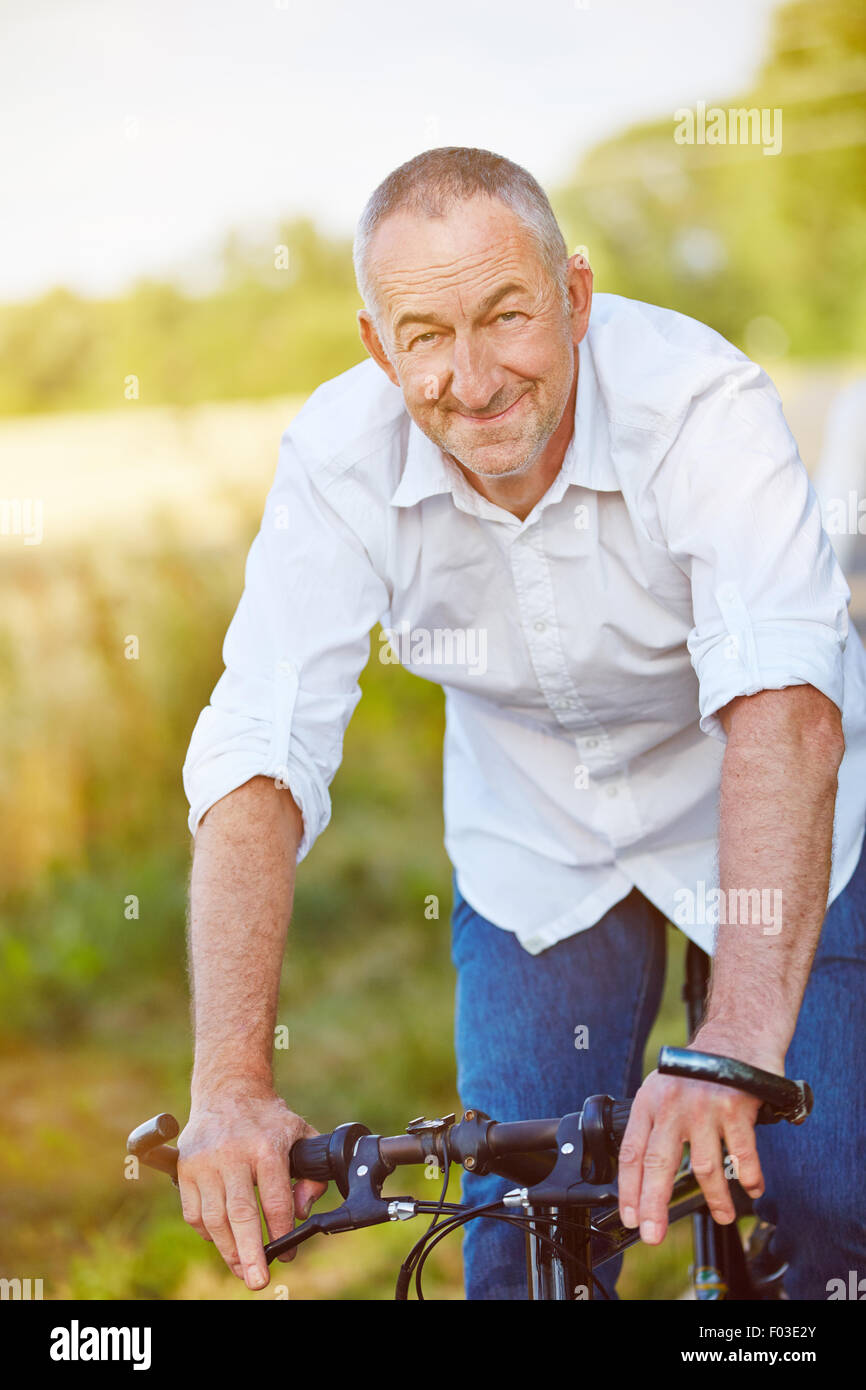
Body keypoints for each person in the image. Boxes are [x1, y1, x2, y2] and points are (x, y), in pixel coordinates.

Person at [177, 147, 866, 1300]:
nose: (471, 375)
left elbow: (784, 710)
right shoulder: (337, 458)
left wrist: (732, 1042)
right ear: (376, 346)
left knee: (835, 1197)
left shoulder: (698, 403)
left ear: (575, 296)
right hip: (537, 847)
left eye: (505, 314)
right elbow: (259, 747)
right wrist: (229, 1082)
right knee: (512, 1249)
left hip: (766, 817)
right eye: (424, 335)